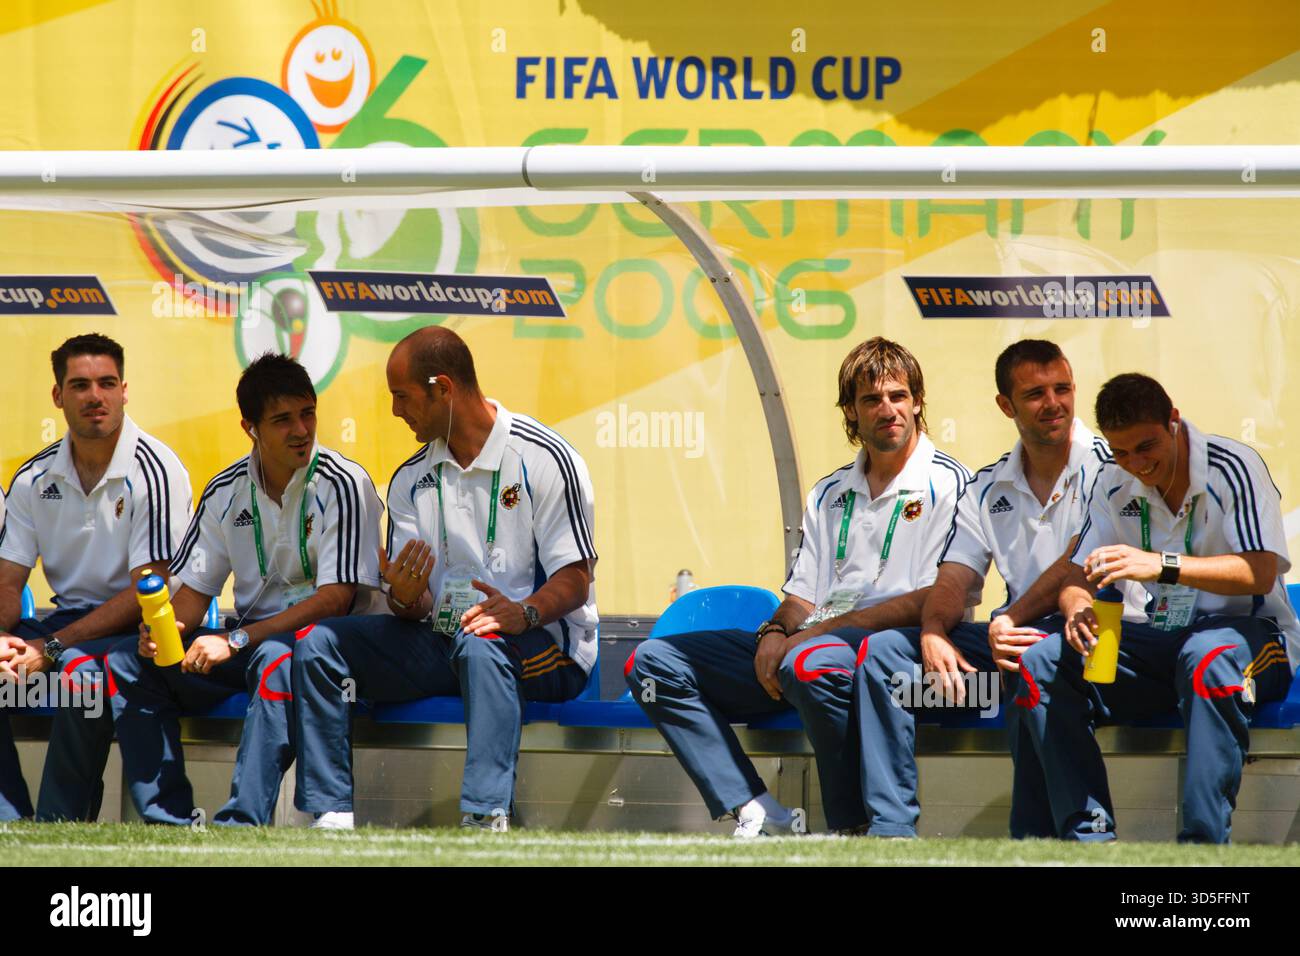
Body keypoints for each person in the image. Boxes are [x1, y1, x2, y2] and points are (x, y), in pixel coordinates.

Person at [630, 337, 971, 836]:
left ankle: (852, 827)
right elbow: (802, 595)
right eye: (871, 400)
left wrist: (816, 634)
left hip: (894, 653)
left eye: (899, 396)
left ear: (918, 402)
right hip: (811, 648)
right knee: (652, 663)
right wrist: (773, 631)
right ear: (850, 413)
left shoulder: (951, 483)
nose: (888, 410)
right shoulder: (829, 491)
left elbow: (936, 600)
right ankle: (753, 808)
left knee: (807, 663)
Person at [291, 326, 597, 831]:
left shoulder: (544, 458)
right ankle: (331, 814)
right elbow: (413, 604)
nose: (395, 412)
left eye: (402, 397)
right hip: (443, 638)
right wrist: (407, 599)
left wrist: (522, 614)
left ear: (443, 388)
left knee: (482, 644)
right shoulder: (411, 478)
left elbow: (575, 578)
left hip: (547, 642)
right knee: (320, 644)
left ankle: (484, 813)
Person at [856, 339, 1132, 838]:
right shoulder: (986, 487)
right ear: (1006, 406)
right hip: (1016, 640)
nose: (1054, 403)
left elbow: (1078, 561)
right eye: (1035, 394)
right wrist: (936, 631)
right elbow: (957, 576)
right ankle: (889, 832)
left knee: (1034, 662)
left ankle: (1076, 836)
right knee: (882, 655)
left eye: (1063, 388)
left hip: (1103, 640)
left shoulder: (1113, 465)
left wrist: (1008, 618)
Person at [1015, 372, 1299, 843]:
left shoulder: (1233, 465)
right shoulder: (1111, 478)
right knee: (1041, 661)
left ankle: (1202, 848)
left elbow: (1261, 572)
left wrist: (1161, 565)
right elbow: (1076, 575)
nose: (1135, 464)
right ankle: (1086, 839)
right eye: (1121, 452)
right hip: (1161, 642)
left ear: (1173, 421)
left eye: (1145, 447)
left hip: (1251, 636)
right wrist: (1077, 607)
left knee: (1206, 659)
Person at [106, 352, 383, 826]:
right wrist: (167, 629)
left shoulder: (345, 482)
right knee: (128, 665)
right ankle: (168, 821)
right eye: (282, 420)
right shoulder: (224, 490)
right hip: (251, 641)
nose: (301, 430)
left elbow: (336, 600)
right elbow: (192, 594)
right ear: (249, 427)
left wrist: (233, 640)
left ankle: (241, 821)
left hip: (327, 648)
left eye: (307, 413)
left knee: (276, 658)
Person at [0, 333, 190, 822]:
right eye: (80, 385)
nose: (94, 397)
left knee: (82, 677)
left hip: (136, 635)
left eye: (106, 383)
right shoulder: (32, 478)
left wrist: (52, 649)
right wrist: (2, 640)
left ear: (124, 391)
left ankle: (56, 824)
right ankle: (10, 823)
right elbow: (7, 582)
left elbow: (149, 591)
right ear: (58, 396)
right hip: (66, 627)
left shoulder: (157, 469)